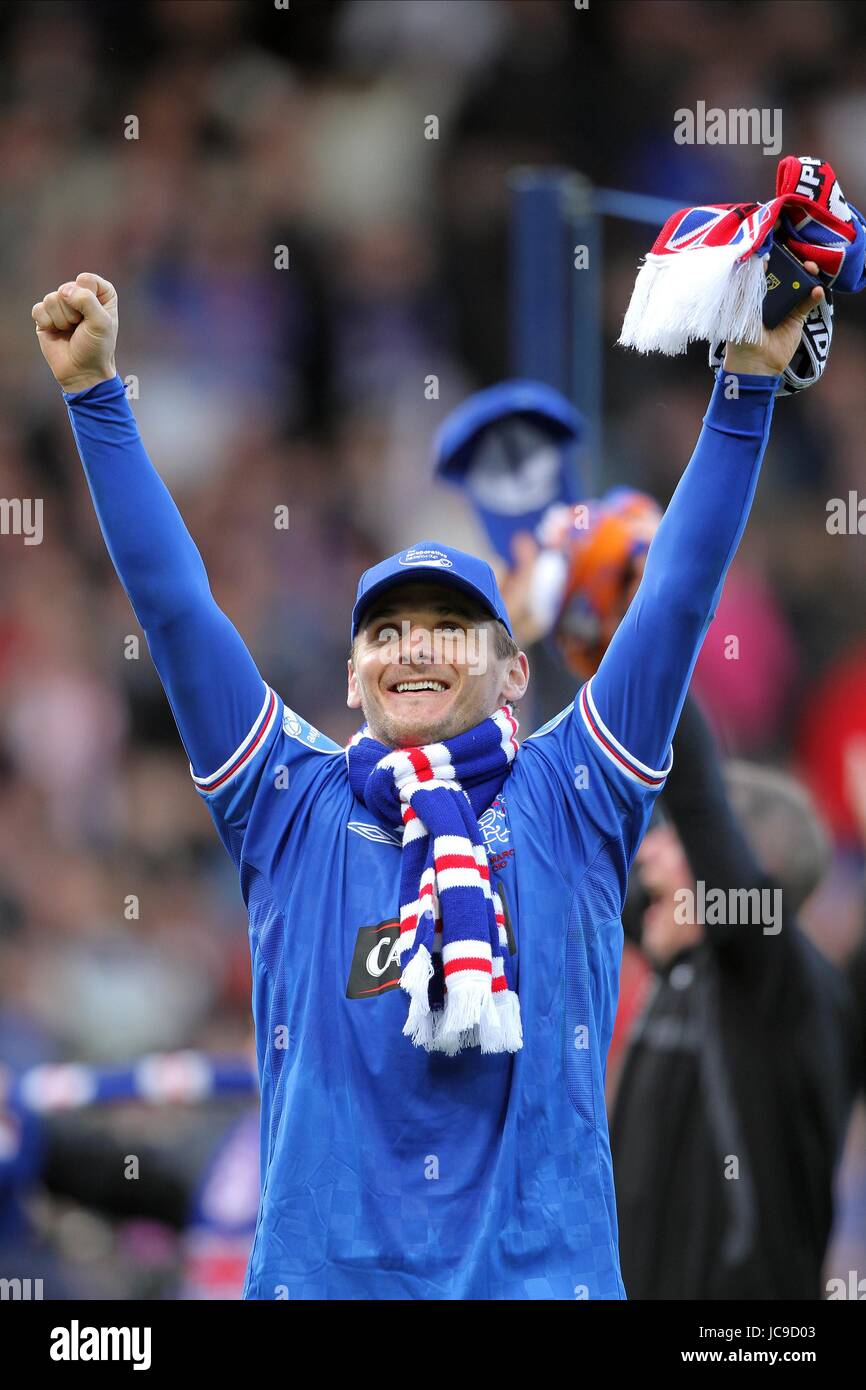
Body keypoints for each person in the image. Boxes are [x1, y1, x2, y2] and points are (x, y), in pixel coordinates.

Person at [31, 267, 824, 1300]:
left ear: (512, 669)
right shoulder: (288, 801)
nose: (415, 647)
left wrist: (747, 380)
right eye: (387, 630)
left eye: (450, 627)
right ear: (353, 673)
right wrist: (96, 395)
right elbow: (178, 611)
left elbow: (672, 598)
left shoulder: (570, 794)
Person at [610, 697, 857, 1299]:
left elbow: (698, 798)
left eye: (673, 843)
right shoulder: (682, 972)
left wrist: (649, 640)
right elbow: (592, 865)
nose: (649, 856)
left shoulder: (786, 994)